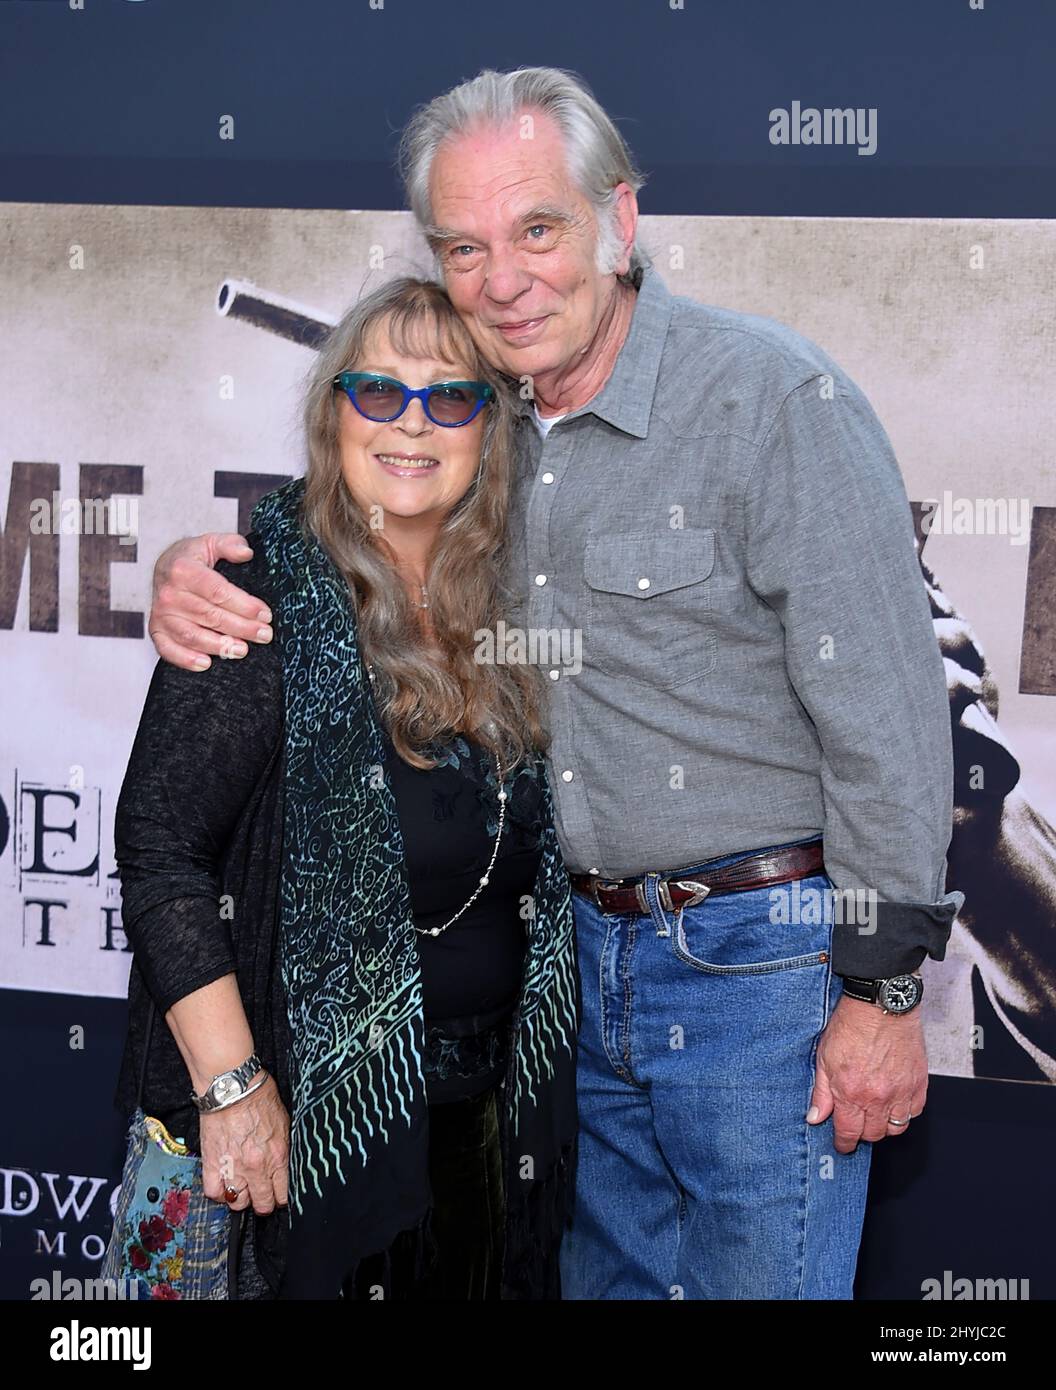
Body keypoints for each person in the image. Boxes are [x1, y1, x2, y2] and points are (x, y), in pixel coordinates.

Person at [143, 67, 964, 1299]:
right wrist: (189, 566)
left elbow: (890, 719)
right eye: (463, 247)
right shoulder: (491, 439)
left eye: (538, 229)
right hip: (569, 988)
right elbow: (358, 527)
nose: (504, 278)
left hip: (761, 976)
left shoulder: (770, 401)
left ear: (620, 221)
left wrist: (886, 990)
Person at [112, 275, 579, 1301]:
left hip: (476, 1142)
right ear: (335, 414)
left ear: (489, 431)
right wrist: (234, 1088)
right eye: (380, 392)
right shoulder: (254, 595)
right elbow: (160, 850)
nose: (413, 424)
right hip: (294, 1157)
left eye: (451, 398)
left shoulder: (514, 606)